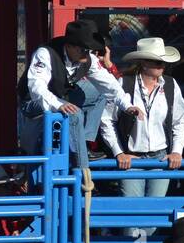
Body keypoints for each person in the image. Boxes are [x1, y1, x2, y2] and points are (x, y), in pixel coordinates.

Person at [17, 19, 141, 164]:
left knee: (99, 94)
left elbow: (109, 84)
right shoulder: (45, 53)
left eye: (89, 49)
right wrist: (58, 104)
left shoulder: (89, 59)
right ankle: (81, 166)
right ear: (69, 46)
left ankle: (85, 144)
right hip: (33, 103)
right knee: (74, 114)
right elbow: (36, 88)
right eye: (83, 49)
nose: (86, 53)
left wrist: (127, 105)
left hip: (62, 96)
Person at [99, 37, 184, 216]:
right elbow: (106, 120)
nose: (161, 65)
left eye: (162, 61)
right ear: (143, 62)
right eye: (156, 61)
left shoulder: (171, 85)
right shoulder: (124, 84)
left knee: (156, 213)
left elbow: (181, 121)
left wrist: (177, 151)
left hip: (161, 158)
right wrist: (119, 152)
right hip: (132, 159)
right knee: (132, 214)